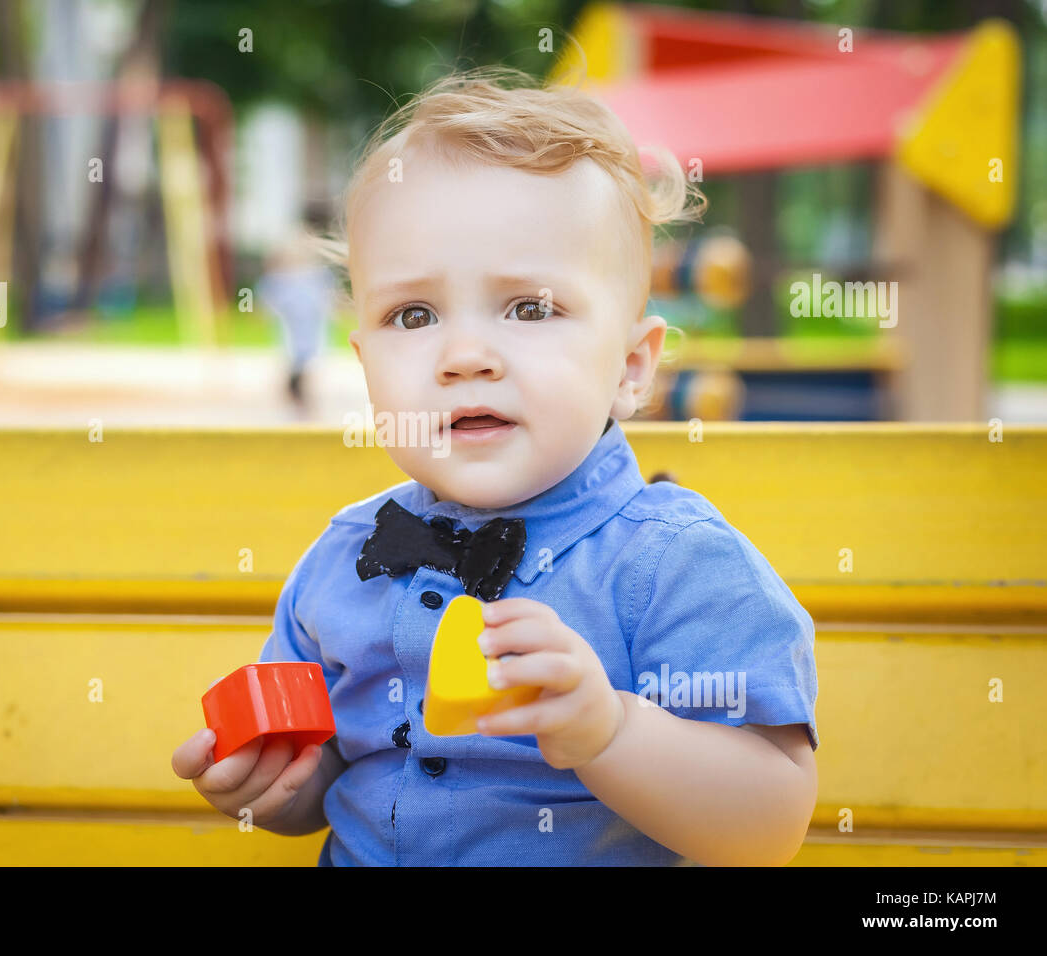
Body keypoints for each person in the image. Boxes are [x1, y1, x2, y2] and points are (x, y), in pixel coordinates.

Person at [173, 67, 818, 866]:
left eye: (529, 308)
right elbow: (336, 774)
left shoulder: (675, 565)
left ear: (632, 366)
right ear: (365, 359)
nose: (465, 356)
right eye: (413, 315)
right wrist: (272, 786)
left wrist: (608, 732)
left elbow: (769, 825)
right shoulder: (342, 562)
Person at [254, 200, 338, 408]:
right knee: (302, 347)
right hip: (299, 296)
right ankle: (299, 393)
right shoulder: (307, 243)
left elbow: (273, 267)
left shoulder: (296, 241)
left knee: (301, 348)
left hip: (298, 298)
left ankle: (298, 392)